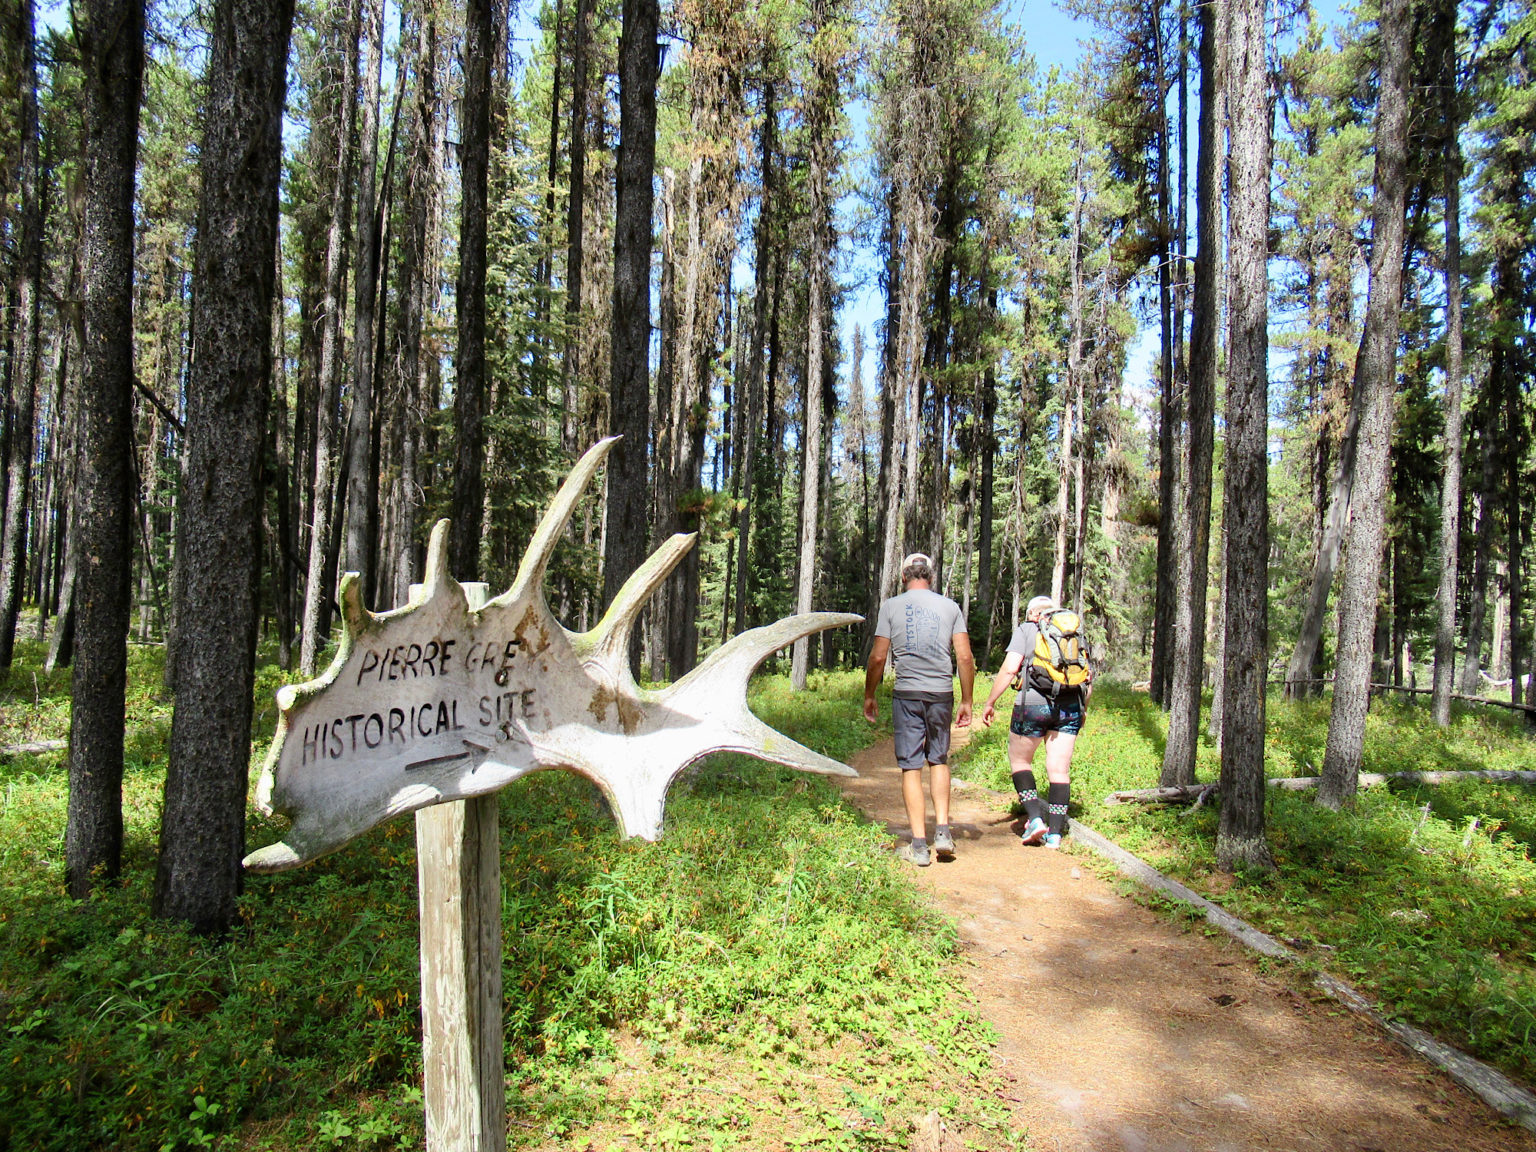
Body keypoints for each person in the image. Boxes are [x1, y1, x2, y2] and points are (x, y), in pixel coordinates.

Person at [864, 553, 975, 866]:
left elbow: (877, 658)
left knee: (911, 766)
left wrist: (869, 694)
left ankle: (918, 845)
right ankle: (942, 831)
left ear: (903, 577)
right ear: (931, 576)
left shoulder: (891, 607)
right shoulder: (950, 607)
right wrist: (966, 700)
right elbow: (965, 658)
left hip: (908, 694)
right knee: (938, 759)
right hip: (941, 693)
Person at [980, 594, 1093, 849]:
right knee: (1059, 770)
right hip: (1070, 705)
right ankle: (1055, 834)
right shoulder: (1072, 633)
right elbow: (1087, 676)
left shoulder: (1027, 630)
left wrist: (990, 702)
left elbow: (1010, 668)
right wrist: (1083, 709)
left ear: (1032, 614)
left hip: (1032, 703)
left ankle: (1034, 817)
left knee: (1020, 761)